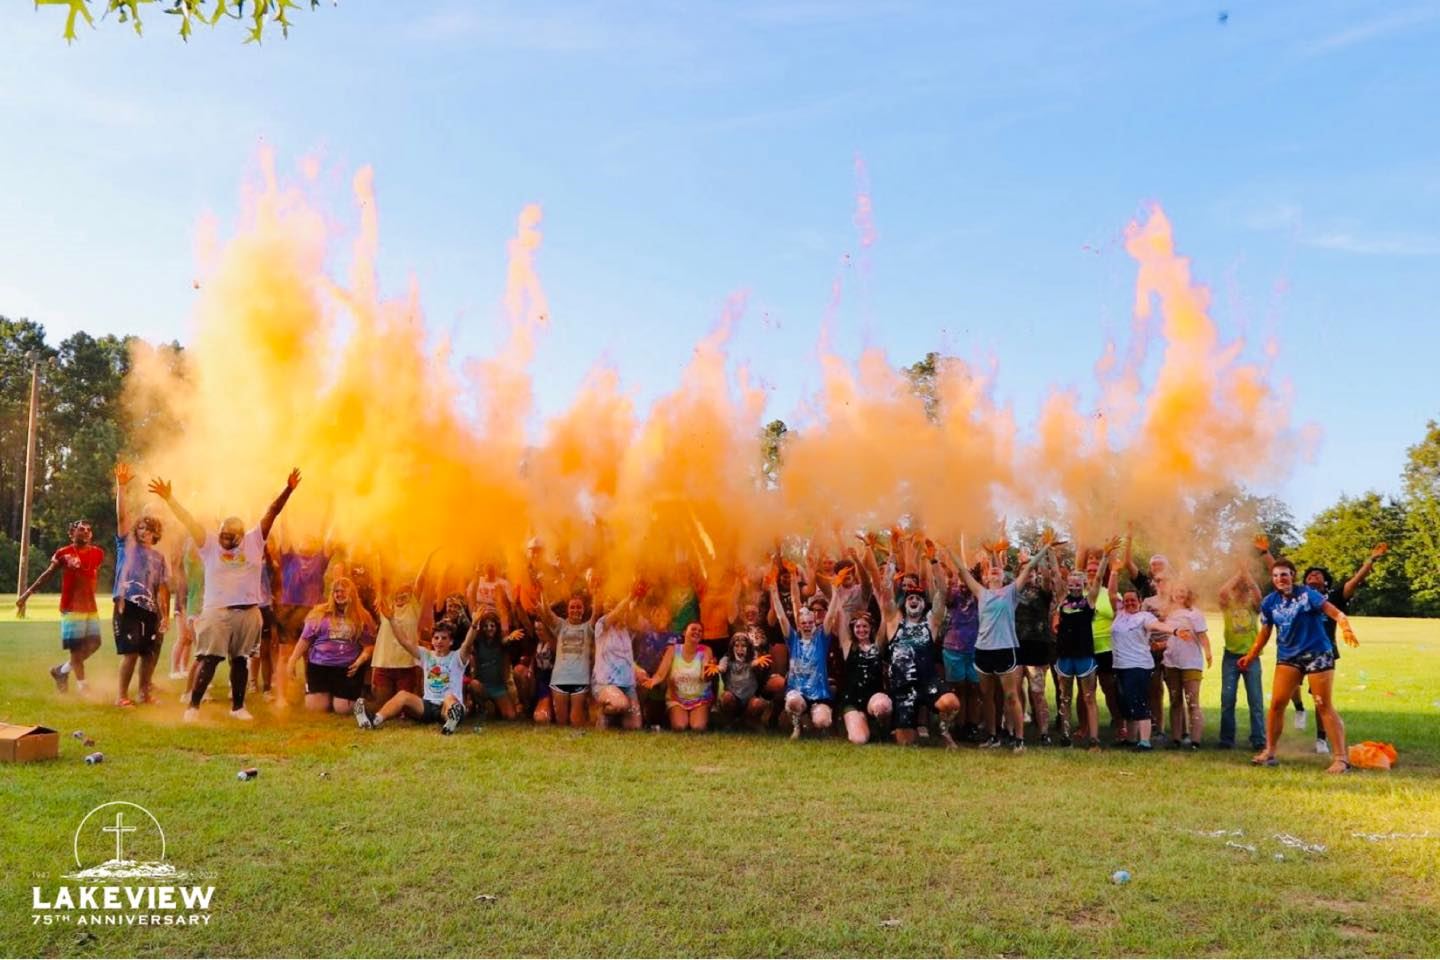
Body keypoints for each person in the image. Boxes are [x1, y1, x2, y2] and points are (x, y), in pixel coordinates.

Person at [148, 468, 300, 721]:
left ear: (240, 535)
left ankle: (238, 707)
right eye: (222, 535)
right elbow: (188, 520)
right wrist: (170, 499)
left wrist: (288, 489)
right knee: (209, 659)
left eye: (229, 537)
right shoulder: (208, 544)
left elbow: (272, 512)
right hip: (216, 612)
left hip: (248, 611)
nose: (224, 540)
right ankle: (193, 707)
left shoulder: (254, 541)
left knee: (239, 660)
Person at [1240, 558, 1357, 773]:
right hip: (1288, 656)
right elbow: (1265, 632)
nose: (1280, 579)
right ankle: (1270, 752)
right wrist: (1251, 655)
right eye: (1275, 575)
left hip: (1318, 654)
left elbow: (1334, 611)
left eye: (1284, 574)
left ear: (1292, 575)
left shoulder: (1308, 594)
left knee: (1323, 704)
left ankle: (1341, 759)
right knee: (1276, 704)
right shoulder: (1269, 602)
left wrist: (1346, 626)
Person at [955, 533, 1052, 752]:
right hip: (983, 651)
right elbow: (961, 570)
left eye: (997, 569)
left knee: (1011, 695)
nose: (994, 571)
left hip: (1006, 650)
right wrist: (947, 550)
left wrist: (1045, 547)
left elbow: (1028, 570)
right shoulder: (981, 592)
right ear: (987, 578)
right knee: (987, 696)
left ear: (1003, 577)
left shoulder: (1010, 592)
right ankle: (992, 736)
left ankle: (1019, 739)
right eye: (991, 571)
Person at [16, 519, 104, 694]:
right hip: (71, 608)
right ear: (71, 534)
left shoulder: (98, 553)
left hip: (90, 607)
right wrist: (26, 594)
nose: (86, 532)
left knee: (95, 644)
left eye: (88, 530)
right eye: (81, 529)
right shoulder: (63, 553)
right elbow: (47, 575)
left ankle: (61, 671)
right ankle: (83, 688)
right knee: (76, 649)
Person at [1107, 578, 1193, 751]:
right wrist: (1114, 571)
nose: (1130, 603)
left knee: (1138, 702)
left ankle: (1145, 742)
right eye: (1127, 600)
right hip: (1120, 666)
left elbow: (1158, 626)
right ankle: (1131, 739)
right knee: (1125, 703)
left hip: (1138, 666)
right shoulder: (1120, 615)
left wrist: (1175, 631)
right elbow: (1110, 593)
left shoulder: (1144, 616)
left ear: (1139, 602)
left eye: (1133, 600)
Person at [353, 617, 474, 734]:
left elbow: (467, 644)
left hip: (448, 705)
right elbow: (404, 642)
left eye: (444, 638)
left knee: (449, 698)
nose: (439, 641)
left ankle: (451, 720)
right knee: (403, 695)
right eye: (436, 638)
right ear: (432, 640)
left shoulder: (457, 657)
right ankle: (375, 720)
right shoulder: (426, 655)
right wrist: (391, 620)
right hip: (429, 705)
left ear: (451, 641)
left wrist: (474, 625)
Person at [287, 577, 375, 715]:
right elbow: (305, 639)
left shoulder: (362, 617)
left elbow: (369, 646)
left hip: (347, 669)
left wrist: (360, 661)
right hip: (320, 666)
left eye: (343, 591)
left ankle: (346, 695)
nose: (339, 594)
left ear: (352, 593)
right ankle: (323, 693)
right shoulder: (319, 614)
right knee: (315, 708)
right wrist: (292, 660)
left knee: (343, 709)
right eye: (336, 591)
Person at [767, 563, 834, 740]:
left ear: (814, 622)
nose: (806, 625)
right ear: (799, 624)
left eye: (809, 622)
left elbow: (832, 615)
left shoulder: (822, 638)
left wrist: (836, 590)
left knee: (822, 721)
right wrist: (773, 590)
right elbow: (781, 617)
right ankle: (797, 727)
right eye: (803, 622)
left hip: (819, 692)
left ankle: (818, 722)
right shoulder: (793, 639)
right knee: (793, 702)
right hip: (797, 691)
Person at [1052, 554, 1110, 750]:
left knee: (1089, 698)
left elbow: (1100, 577)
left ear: (1084, 584)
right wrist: (1051, 550)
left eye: (1078, 584)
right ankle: (1066, 737)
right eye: (1072, 584)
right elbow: (1055, 575)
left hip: (1085, 656)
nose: (1074, 587)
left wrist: (1106, 556)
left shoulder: (1090, 600)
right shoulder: (1062, 598)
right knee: (1065, 698)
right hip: (1065, 656)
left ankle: (1094, 740)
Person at [1216, 561, 1265, 751]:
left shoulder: (1254, 606)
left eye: (1245, 590)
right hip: (1231, 657)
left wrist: (1248, 575)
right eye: (1238, 590)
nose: (1241, 592)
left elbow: (1259, 595)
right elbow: (1222, 592)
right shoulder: (1228, 605)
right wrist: (1239, 573)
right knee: (1227, 700)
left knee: (1256, 700)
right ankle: (1227, 739)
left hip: (1251, 657)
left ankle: (1258, 739)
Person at [537, 589, 598, 727]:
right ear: (567, 610)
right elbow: (547, 612)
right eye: (572, 607)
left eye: (579, 607)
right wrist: (542, 589)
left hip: (579, 680)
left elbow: (596, 614)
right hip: (560, 678)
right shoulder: (561, 625)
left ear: (583, 610)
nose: (575, 610)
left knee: (576, 721)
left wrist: (596, 591)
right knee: (561, 722)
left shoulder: (587, 628)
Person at [1160, 586, 1212, 749]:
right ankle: (1176, 738)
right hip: (1171, 662)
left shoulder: (1194, 614)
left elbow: (1203, 636)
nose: (1180, 594)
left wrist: (1208, 653)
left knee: (1192, 701)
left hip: (1191, 663)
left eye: (1183, 591)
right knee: (1175, 701)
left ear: (1188, 594)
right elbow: (1168, 636)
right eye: (1177, 591)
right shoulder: (1168, 614)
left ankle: (1195, 741)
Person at [643, 621, 716, 732]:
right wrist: (653, 681)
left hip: (700, 698)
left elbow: (704, 676)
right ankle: (672, 716)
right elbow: (660, 674)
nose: (697, 632)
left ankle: (699, 715)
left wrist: (708, 671)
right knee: (679, 727)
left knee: (698, 728)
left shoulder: (706, 650)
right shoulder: (673, 650)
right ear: (684, 632)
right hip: (677, 699)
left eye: (700, 631)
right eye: (693, 629)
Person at [939, 556, 982, 742]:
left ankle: (972, 725)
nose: (965, 584)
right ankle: (958, 724)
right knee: (958, 688)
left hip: (975, 648)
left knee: (973, 688)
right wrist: (950, 581)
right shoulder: (954, 593)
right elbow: (947, 600)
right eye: (962, 579)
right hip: (953, 648)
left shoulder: (980, 594)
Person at [591, 587, 644, 730]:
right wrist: (631, 595)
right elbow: (617, 613)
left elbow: (626, 657)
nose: (610, 607)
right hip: (604, 684)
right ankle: (601, 712)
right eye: (607, 604)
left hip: (627, 685)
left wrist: (638, 594)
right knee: (620, 704)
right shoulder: (601, 625)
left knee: (634, 726)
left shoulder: (627, 630)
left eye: (613, 603)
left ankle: (612, 716)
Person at [468, 610, 523, 722]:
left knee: (510, 716)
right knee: (473, 684)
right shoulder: (477, 643)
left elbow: (505, 641)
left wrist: (511, 637)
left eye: (492, 625)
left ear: (497, 627)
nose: (489, 628)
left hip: (498, 687)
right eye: (486, 626)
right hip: (483, 686)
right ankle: (482, 707)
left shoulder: (501, 643)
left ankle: (495, 707)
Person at [715, 631, 773, 731]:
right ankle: (730, 721)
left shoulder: (753, 658)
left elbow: (755, 663)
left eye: (743, 646)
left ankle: (749, 721)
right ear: (731, 647)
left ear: (748, 647)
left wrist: (756, 664)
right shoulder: (726, 659)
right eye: (736, 646)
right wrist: (718, 668)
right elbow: (722, 667)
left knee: (758, 704)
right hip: (733, 699)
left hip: (749, 699)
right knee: (726, 697)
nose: (740, 649)